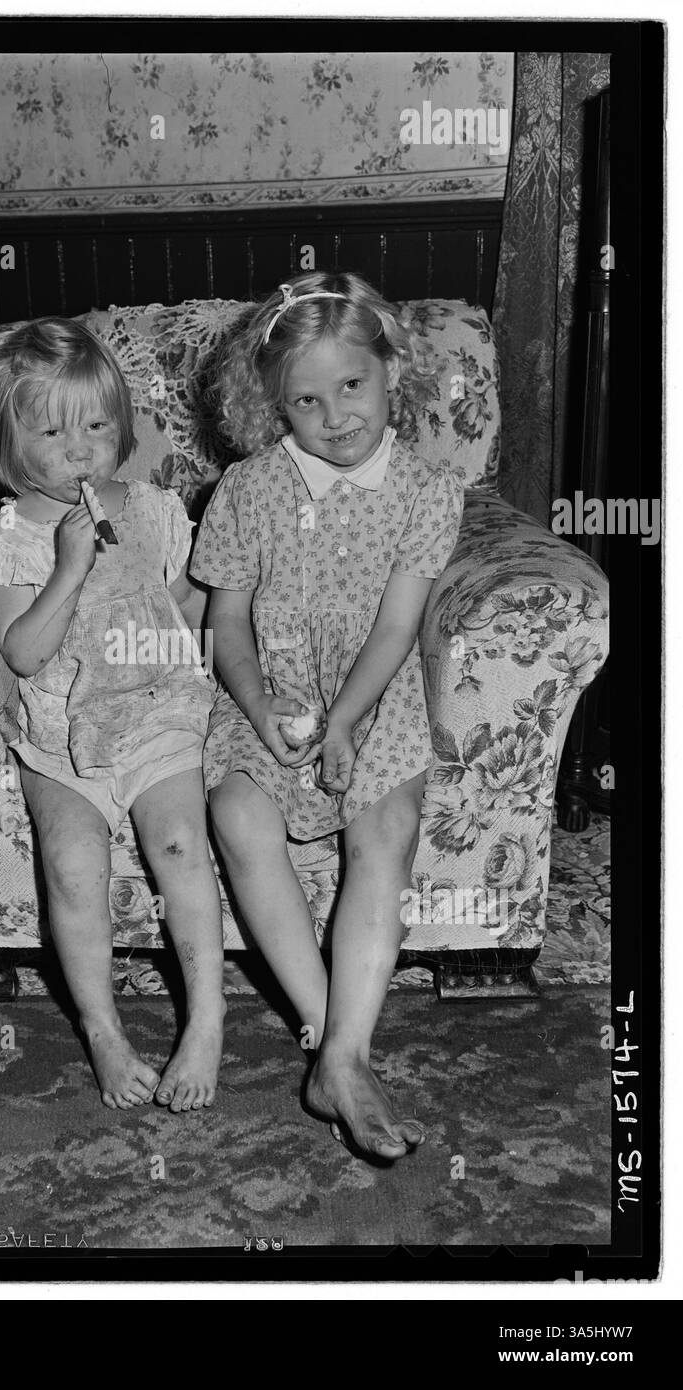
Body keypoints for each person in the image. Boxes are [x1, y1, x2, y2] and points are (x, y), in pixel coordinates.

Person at [190, 271, 464, 1159]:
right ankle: (331, 1048)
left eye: (352, 385)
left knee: (385, 826)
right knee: (236, 813)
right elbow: (225, 620)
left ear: (391, 373)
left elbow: (394, 626)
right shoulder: (244, 488)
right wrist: (260, 705)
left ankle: (342, 1055)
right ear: (273, 405)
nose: (335, 413)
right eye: (306, 400)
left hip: (366, 692)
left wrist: (345, 721)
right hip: (265, 686)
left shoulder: (427, 489)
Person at [0, 318, 224, 1113]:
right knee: (71, 863)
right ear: (6, 446)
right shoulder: (8, 543)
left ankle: (206, 1015)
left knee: (177, 840)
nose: (79, 449)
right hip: (59, 733)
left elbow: (183, 605)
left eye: (97, 426)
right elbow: (23, 653)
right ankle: (102, 1029)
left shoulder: (154, 509)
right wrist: (68, 569)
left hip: (155, 713)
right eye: (52, 431)